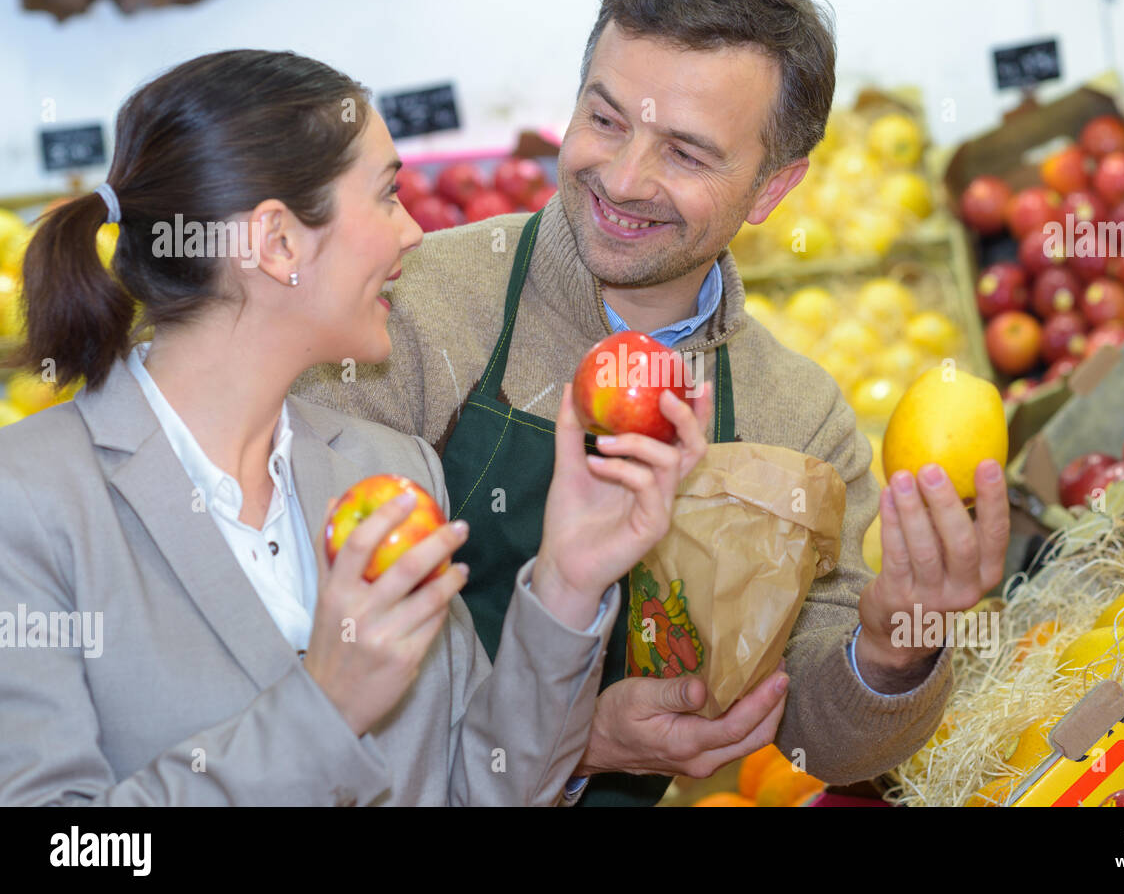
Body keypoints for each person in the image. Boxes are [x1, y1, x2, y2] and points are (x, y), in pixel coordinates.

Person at [293, 0, 1010, 806]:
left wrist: (896, 644)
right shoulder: (406, 311)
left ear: (773, 188)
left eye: (688, 155)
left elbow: (822, 739)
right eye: (605, 120)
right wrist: (571, 740)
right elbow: (294, 634)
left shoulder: (798, 415)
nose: (624, 178)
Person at [0, 49, 710, 806]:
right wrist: (324, 711)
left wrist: (570, 581)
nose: (412, 232)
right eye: (385, 196)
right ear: (276, 244)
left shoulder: (390, 471)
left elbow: (484, 787)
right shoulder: (32, 501)